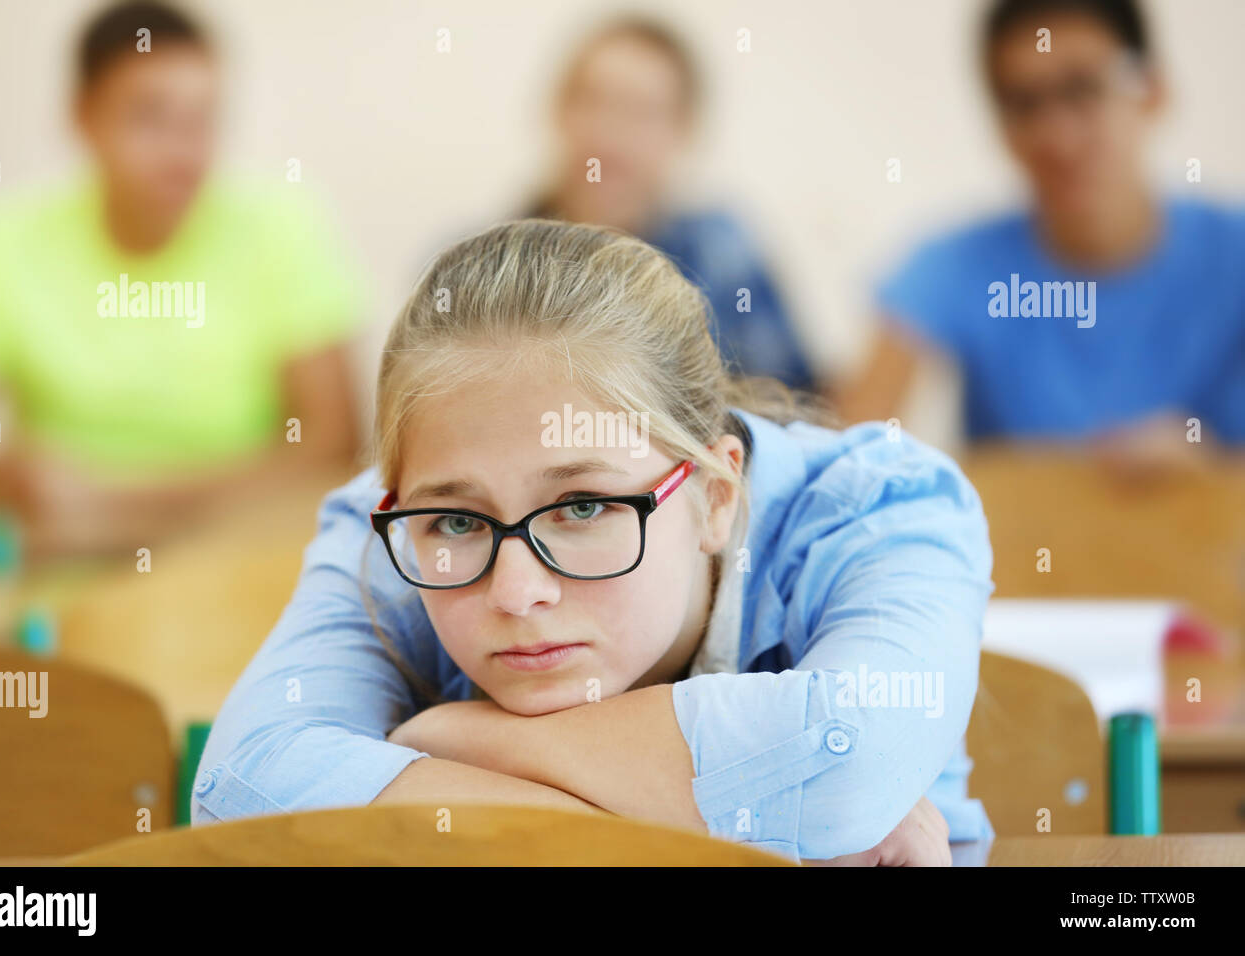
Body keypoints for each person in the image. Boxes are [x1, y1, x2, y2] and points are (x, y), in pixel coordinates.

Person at [194, 219, 994, 865]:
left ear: (715, 496)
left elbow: (850, 766)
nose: (514, 592)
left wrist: (462, 741)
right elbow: (239, 795)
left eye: (580, 507)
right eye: (463, 523)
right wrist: (760, 835)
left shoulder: (885, 505)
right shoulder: (396, 527)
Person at [0, 1, 364, 558]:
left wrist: (120, 502)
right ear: (83, 116)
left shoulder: (282, 230)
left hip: (231, 552)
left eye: (202, 120)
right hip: (56, 556)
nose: (183, 151)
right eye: (150, 117)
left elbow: (332, 446)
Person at [836, 0, 1245, 460]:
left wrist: (1211, 467)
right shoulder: (955, 263)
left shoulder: (1233, 253)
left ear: (1152, 91)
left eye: (1083, 90)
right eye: (1024, 105)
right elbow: (852, 444)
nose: (1058, 137)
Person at [526, 16, 817, 392]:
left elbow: (794, 410)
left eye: (642, 112)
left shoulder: (725, 255)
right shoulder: (481, 261)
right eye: (594, 101)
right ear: (558, 109)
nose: (611, 134)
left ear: (684, 130)